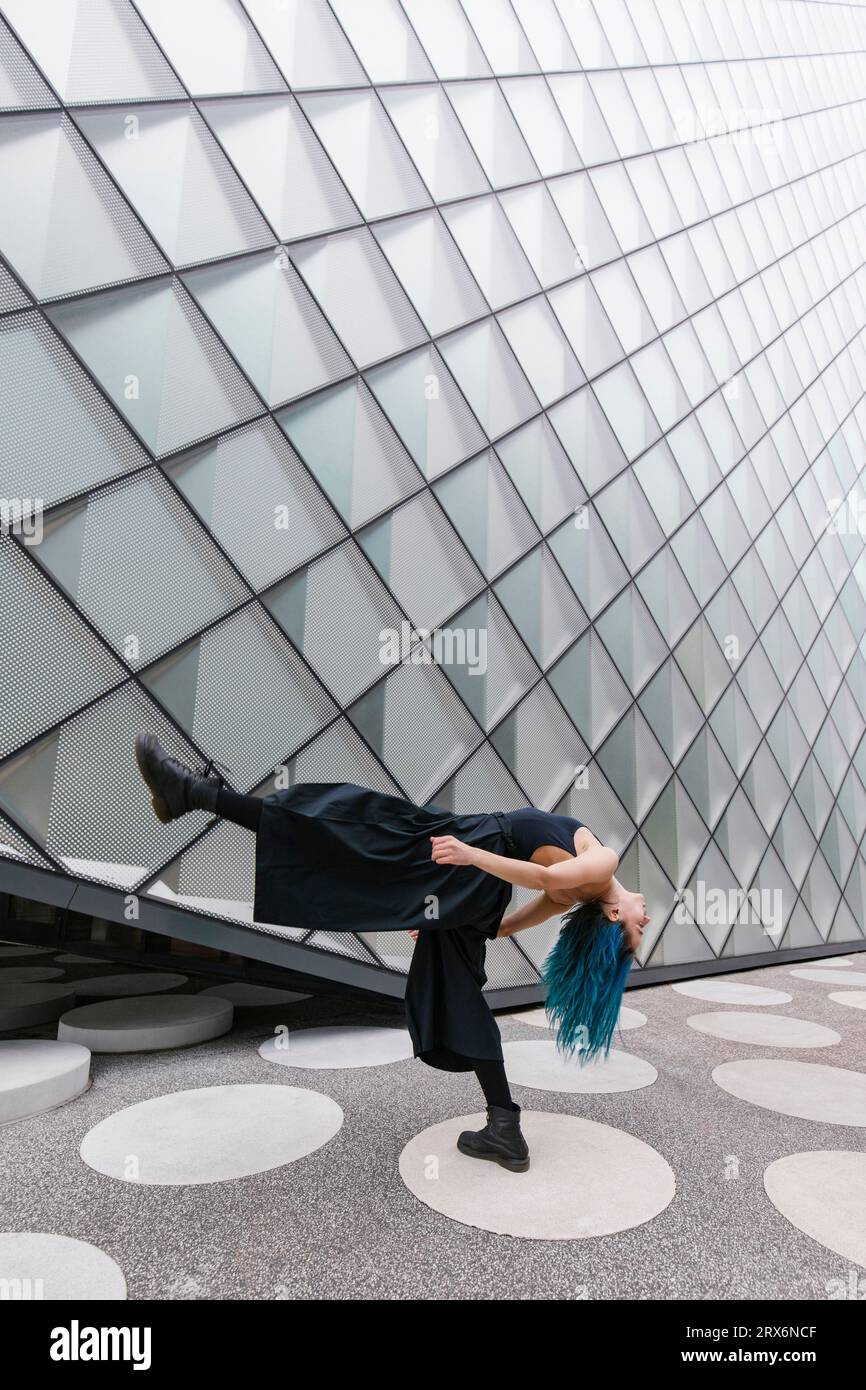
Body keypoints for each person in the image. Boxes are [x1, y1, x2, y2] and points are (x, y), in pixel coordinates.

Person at [134, 734, 649, 1175]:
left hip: (473, 853)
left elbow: (544, 879)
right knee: (359, 837)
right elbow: (519, 916)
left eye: (636, 931)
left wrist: (467, 861)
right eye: (643, 928)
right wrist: (442, 914)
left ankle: (198, 793)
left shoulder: (601, 867)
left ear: (610, 918)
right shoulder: (585, 886)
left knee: (352, 825)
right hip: (472, 876)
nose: (644, 919)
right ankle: (504, 1125)